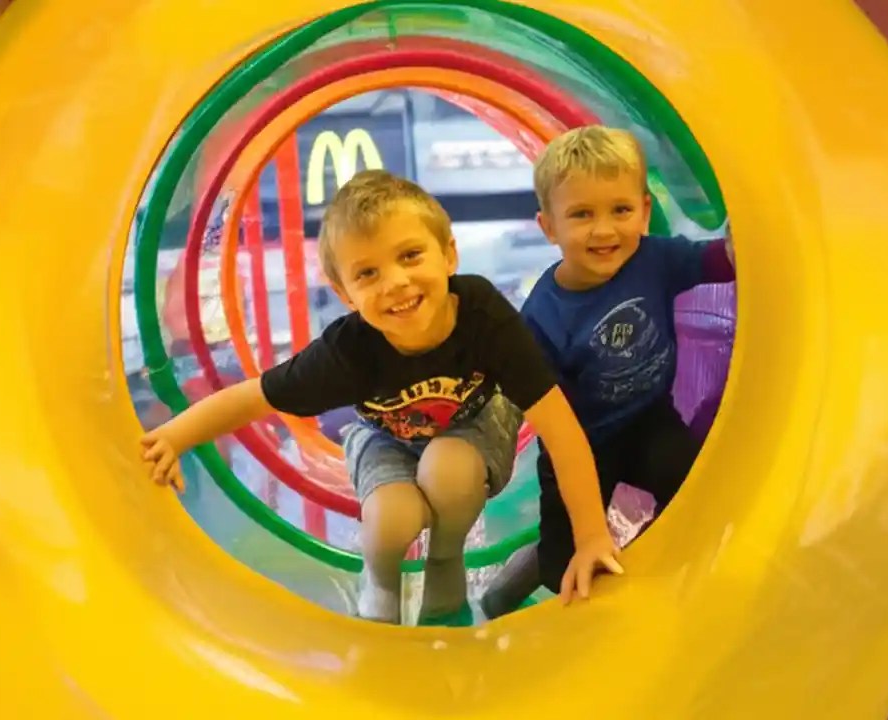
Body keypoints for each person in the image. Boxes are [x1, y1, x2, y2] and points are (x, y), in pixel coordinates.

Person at [141, 169, 620, 625]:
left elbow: (560, 429)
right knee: (393, 517)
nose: (395, 283)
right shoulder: (349, 350)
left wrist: (592, 536)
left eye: (410, 256)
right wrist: (173, 437)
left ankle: (446, 562)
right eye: (367, 274)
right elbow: (258, 395)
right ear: (344, 293)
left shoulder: (483, 316)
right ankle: (381, 584)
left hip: (474, 426)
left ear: (449, 255)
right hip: (387, 437)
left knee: (448, 467)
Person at [481, 125, 736, 619]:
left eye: (620, 210)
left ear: (643, 210)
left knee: (692, 481)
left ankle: (682, 586)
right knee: (567, 568)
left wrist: (743, 234)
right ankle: (527, 568)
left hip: (649, 419)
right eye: (581, 215)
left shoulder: (655, 258)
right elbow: (558, 425)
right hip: (579, 442)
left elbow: (718, 263)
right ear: (548, 227)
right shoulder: (542, 318)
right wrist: (587, 524)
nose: (604, 230)